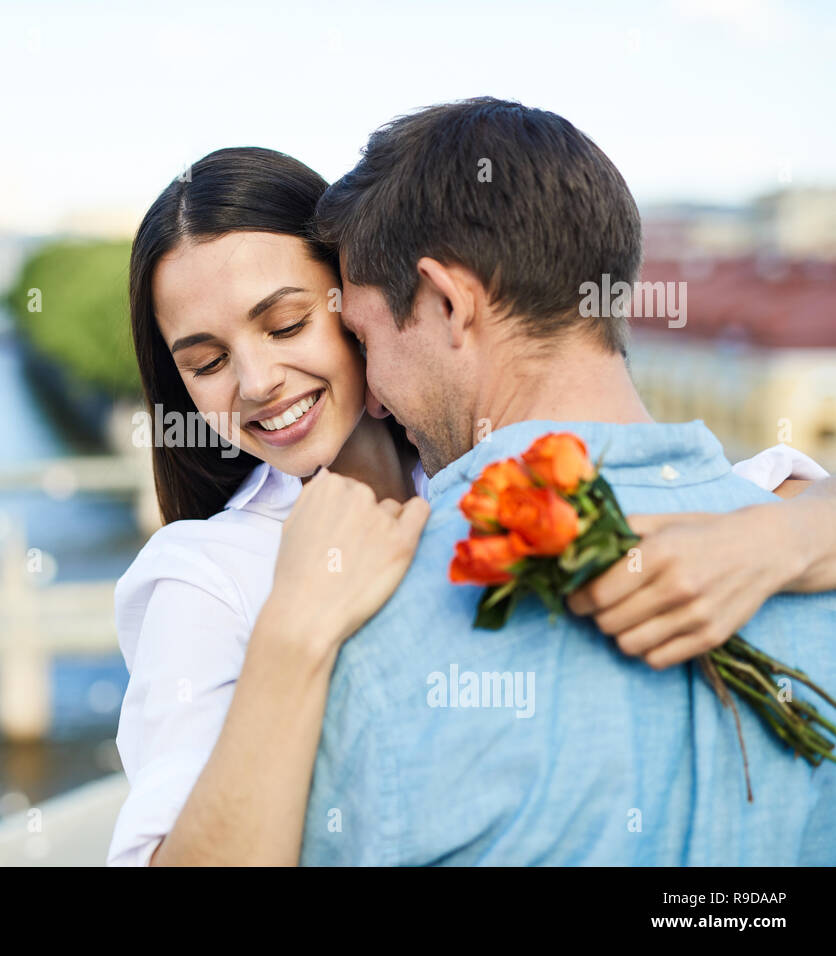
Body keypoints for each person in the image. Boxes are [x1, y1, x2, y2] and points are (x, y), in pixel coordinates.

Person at [108, 140, 834, 867]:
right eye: (204, 363)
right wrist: (292, 628)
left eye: (288, 324)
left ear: (360, 296)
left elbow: (751, 489)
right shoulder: (203, 576)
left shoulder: (495, 466)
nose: (258, 380)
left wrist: (780, 538)